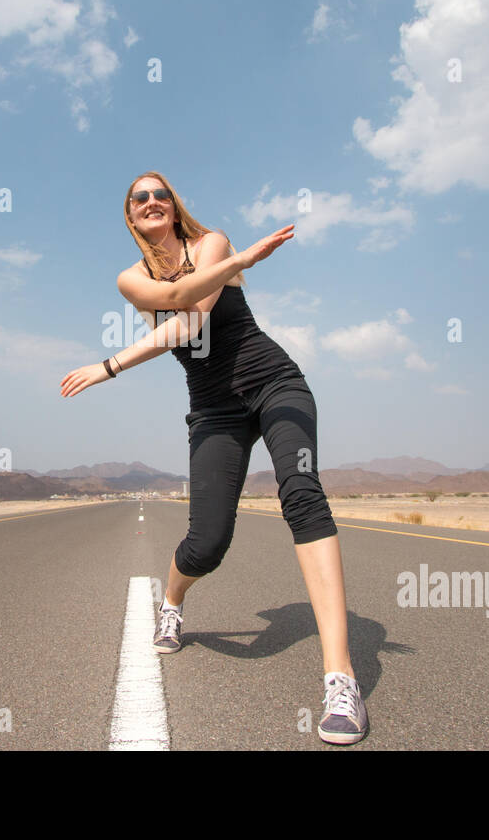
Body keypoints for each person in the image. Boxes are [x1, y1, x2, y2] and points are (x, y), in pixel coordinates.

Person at [60, 171, 367, 746]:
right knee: (208, 543)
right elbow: (178, 304)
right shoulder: (131, 279)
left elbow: (198, 309)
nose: (151, 202)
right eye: (139, 199)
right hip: (214, 410)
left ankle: (339, 677)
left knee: (301, 495)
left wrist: (231, 259)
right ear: (131, 217)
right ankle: (172, 601)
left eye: (160, 195)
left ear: (174, 207)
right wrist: (109, 366)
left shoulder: (213, 243)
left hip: (275, 382)